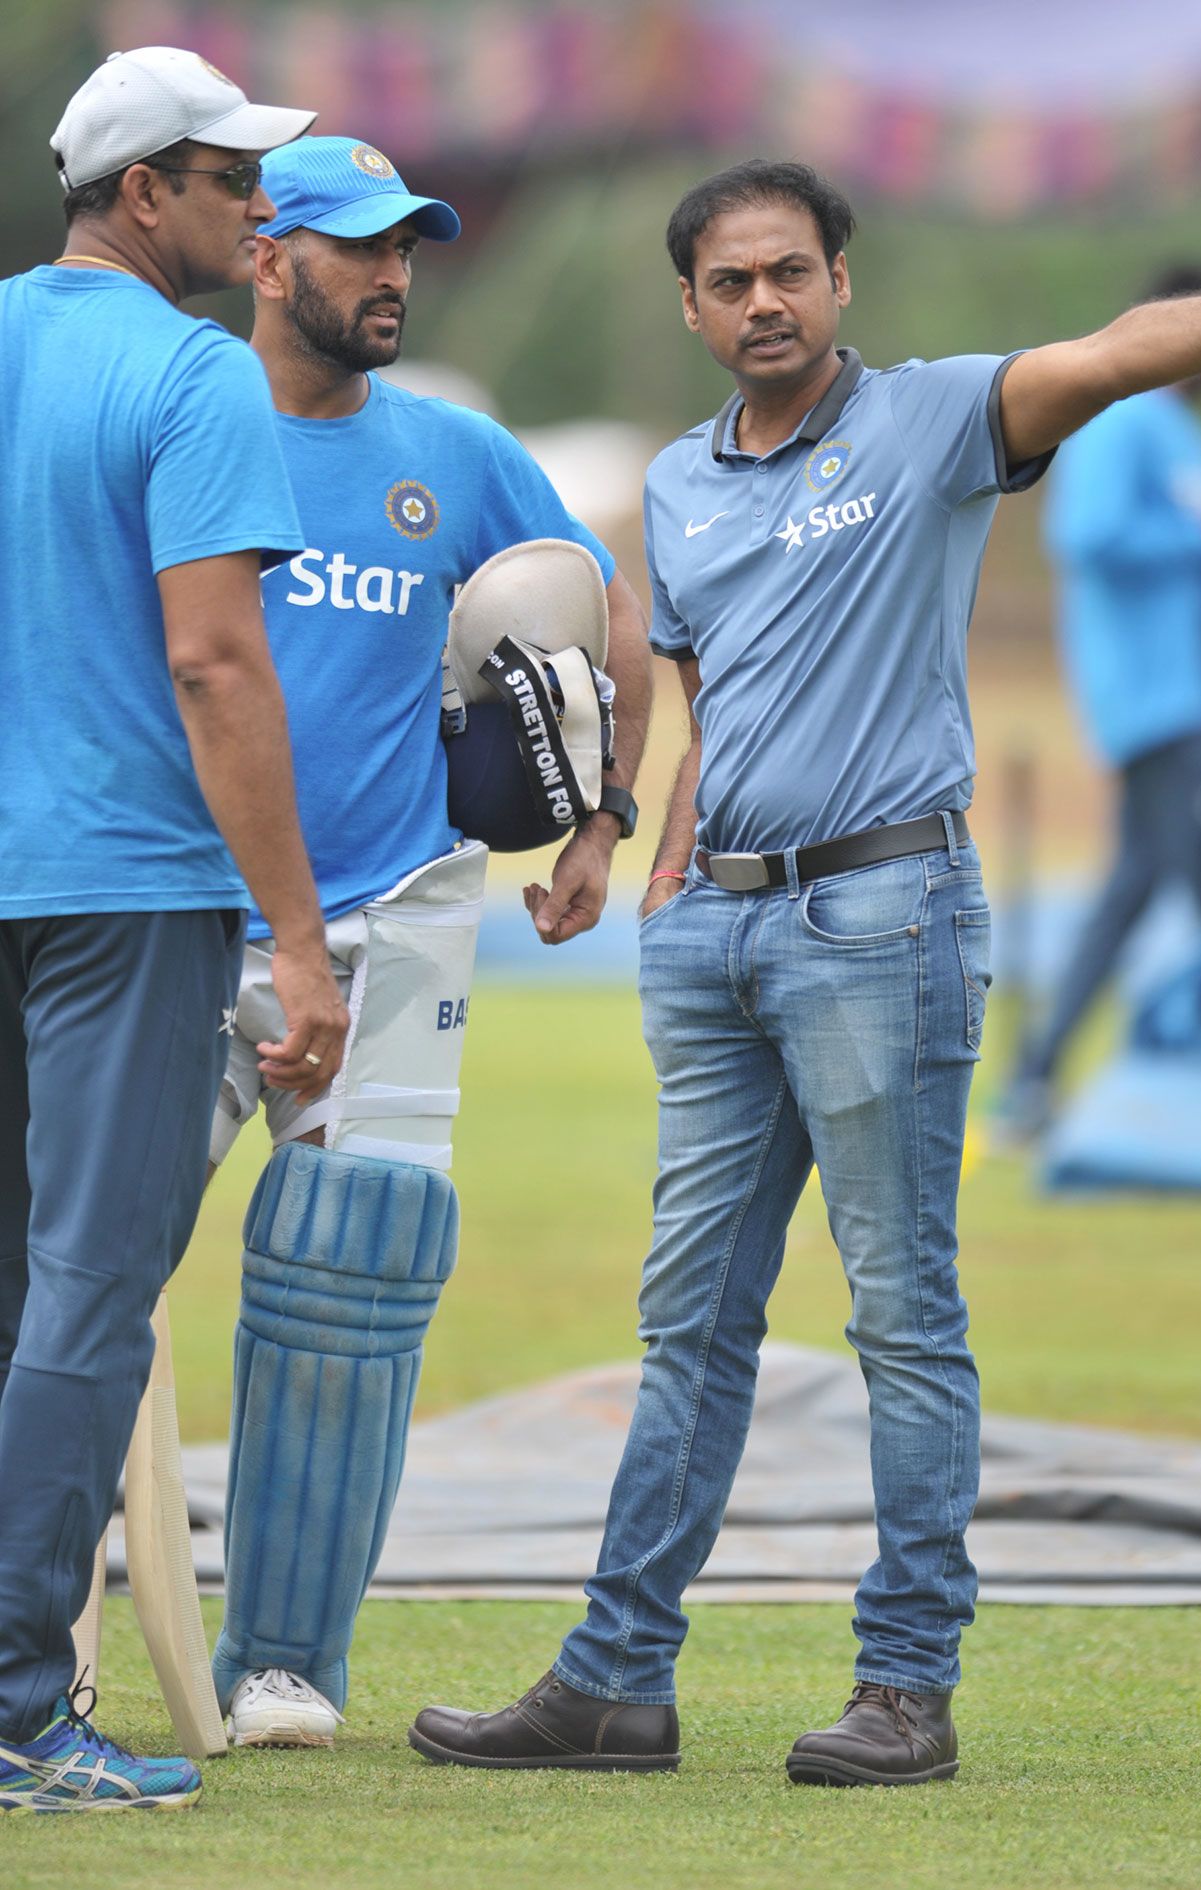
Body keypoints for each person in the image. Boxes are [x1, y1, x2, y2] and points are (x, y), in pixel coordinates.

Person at [407, 160, 1201, 1788]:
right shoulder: (682, 484)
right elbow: (708, 704)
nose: (764, 301)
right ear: (694, 306)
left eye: (791, 271)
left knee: (901, 1316)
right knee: (688, 1319)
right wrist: (633, 840)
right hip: (714, 934)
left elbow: (1108, 356)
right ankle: (618, 1678)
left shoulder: (930, 424)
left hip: (883, 917)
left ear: (841, 281)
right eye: (732, 281)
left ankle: (906, 1683)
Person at [204, 136, 652, 1752]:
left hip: (400, 912)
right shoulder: (187, 421)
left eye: (409, 249)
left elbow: (597, 614)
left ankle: (283, 1660)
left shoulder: (457, 456)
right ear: (267, 256)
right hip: (181, 913)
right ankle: (37, 1639)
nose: (394, 275)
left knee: (354, 1282)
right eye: (358, 248)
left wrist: (601, 813)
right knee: (73, 1279)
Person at [0, 49, 346, 1816]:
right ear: (147, 196)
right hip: (121, 884)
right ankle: (11, 1707)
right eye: (230, 181)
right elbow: (216, 663)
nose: (256, 210)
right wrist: (299, 938)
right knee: (90, 1293)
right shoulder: (198, 369)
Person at [1006, 265, 1201, 1134]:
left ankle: (1033, 1079)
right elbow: (1085, 533)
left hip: (1198, 691)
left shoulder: (1187, 434)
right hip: (1155, 699)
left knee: (1138, 887)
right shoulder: (1125, 418)